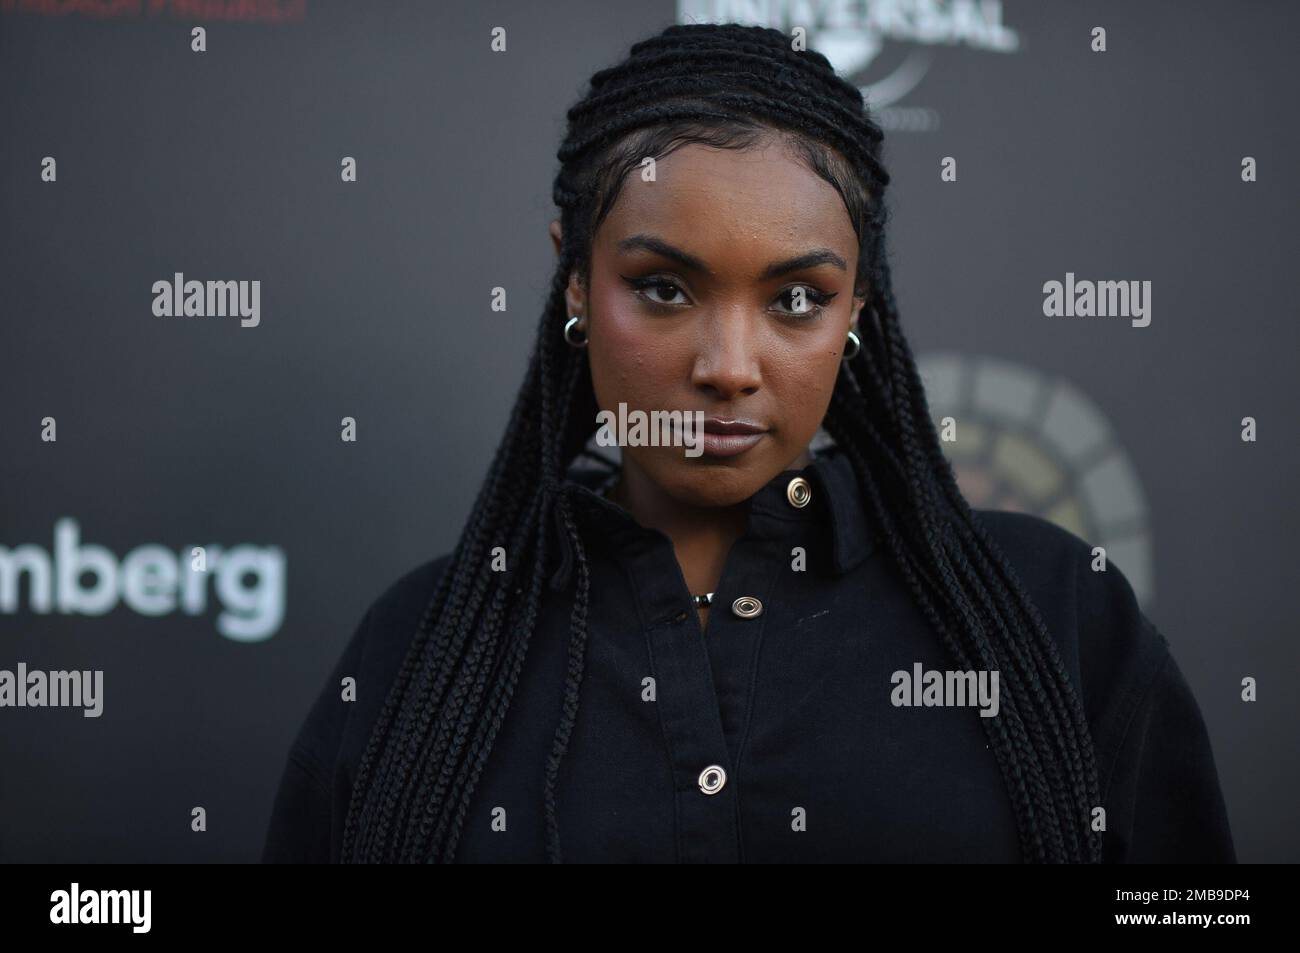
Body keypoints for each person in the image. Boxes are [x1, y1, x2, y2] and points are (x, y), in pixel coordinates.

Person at [262, 22, 1234, 863]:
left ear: (856, 305)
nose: (729, 364)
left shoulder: (1057, 618)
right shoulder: (427, 644)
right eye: (663, 287)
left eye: (796, 298)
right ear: (573, 279)